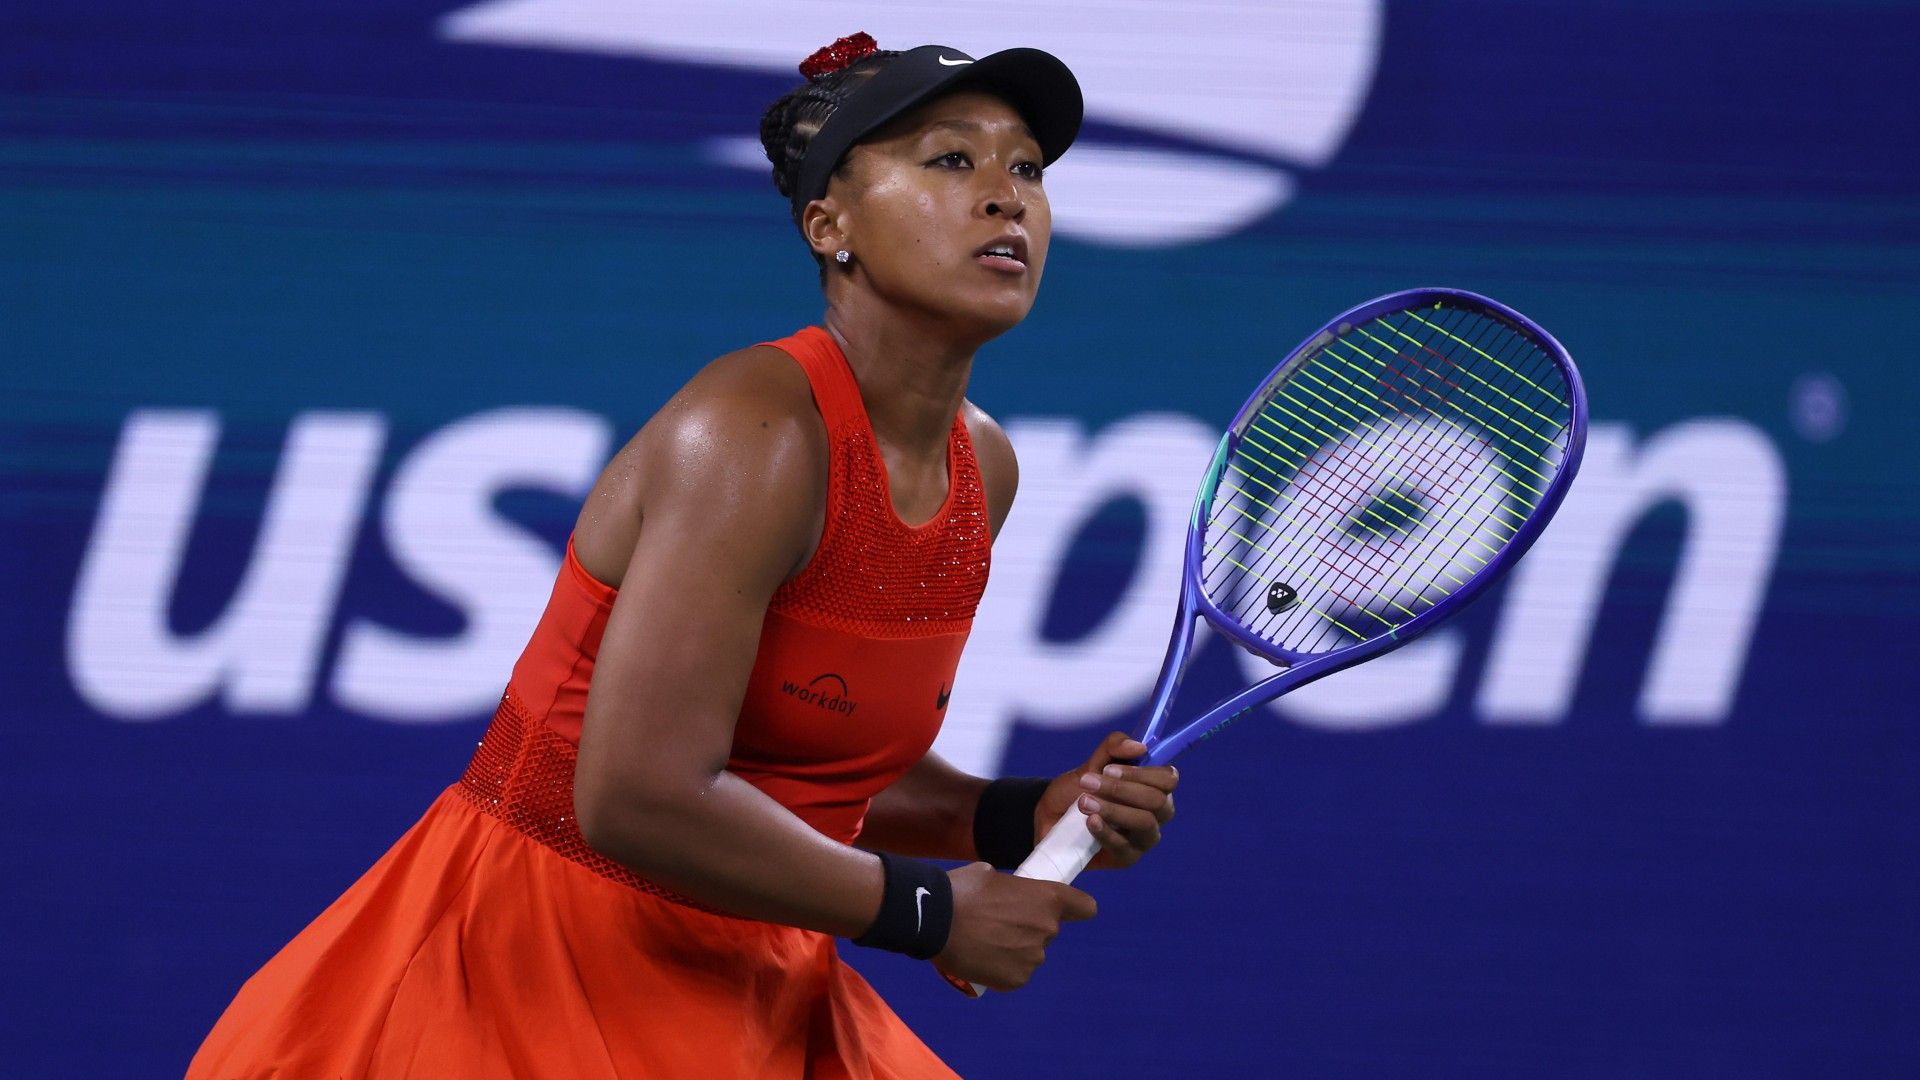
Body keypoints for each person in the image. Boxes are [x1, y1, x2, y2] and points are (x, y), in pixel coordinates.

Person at [189, 32, 1178, 1079]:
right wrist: (929, 909)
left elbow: (808, 765)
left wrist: (1016, 813)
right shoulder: (753, 433)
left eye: (1025, 168)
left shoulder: (984, 468)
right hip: (526, 963)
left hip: (748, 971)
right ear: (829, 225)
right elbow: (638, 794)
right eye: (950, 160)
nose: (1005, 197)